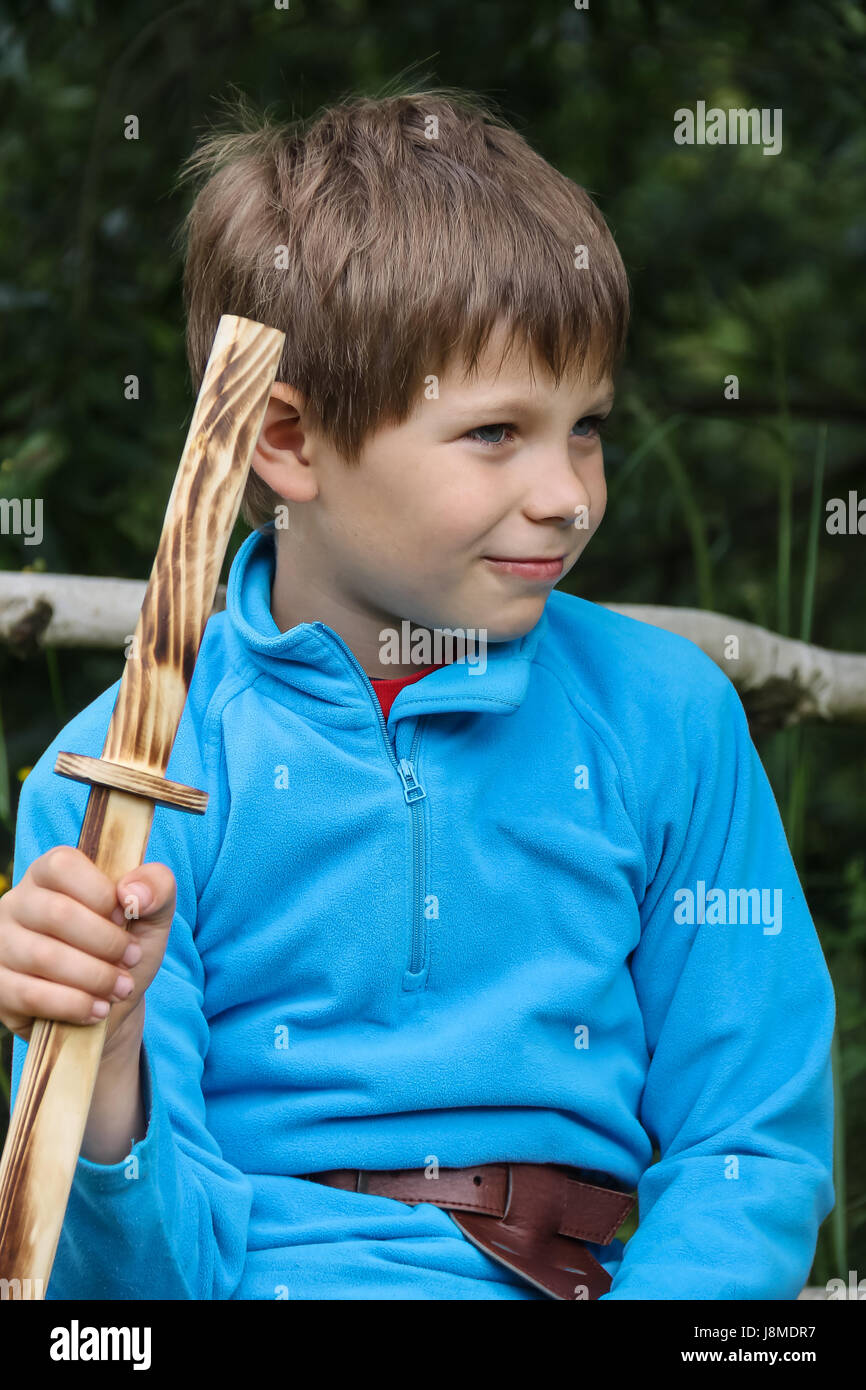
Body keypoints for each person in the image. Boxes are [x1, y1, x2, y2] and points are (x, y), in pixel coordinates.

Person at [2, 84, 834, 1300]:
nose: (567, 494)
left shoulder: (665, 717)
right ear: (285, 440)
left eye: (586, 425)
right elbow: (117, 1292)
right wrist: (106, 1066)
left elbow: (750, 1142)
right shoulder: (120, 780)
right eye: (496, 432)